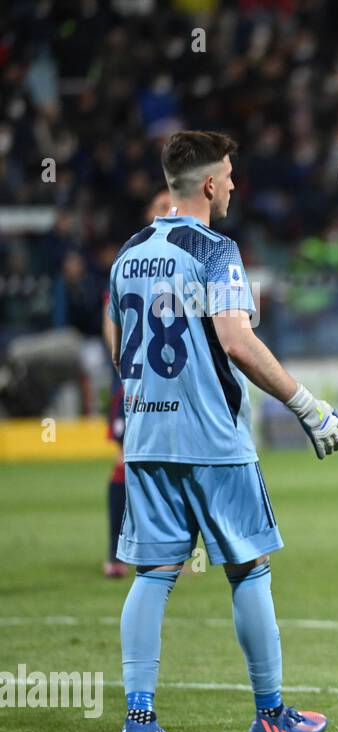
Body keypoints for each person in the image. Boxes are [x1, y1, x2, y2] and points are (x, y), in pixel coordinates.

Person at [106, 130, 338, 732]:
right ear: (211, 183)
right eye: (231, 175)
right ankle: (271, 714)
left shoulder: (127, 254)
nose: (236, 184)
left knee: (154, 573)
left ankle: (140, 724)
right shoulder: (215, 250)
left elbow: (116, 340)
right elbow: (237, 341)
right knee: (249, 569)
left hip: (146, 435)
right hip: (212, 436)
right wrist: (307, 407)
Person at [102, 188, 174, 579]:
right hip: (136, 383)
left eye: (171, 205)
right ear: (149, 212)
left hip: (174, 383)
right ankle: (117, 552)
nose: (168, 211)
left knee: (173, 461)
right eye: (160, 206)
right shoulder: (129, 263)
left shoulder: (177, 261)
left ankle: (167, 549)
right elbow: (110, 327)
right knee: (123, 463)